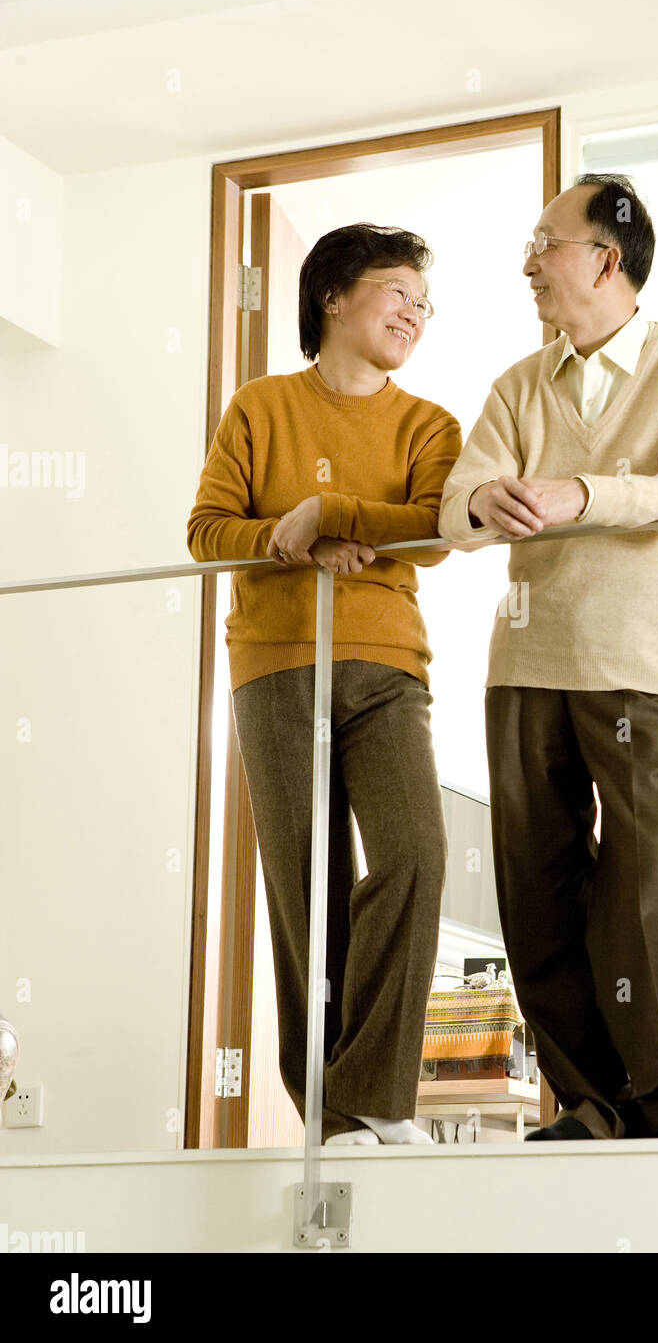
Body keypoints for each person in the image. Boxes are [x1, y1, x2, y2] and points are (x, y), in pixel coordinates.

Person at [438, 173, 658, 1141]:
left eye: (543, 242)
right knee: (533, 891)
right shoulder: (519, 385)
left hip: (639, 670)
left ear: (604, 258)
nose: (527, 263)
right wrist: (484, 506)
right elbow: (457, 505)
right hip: (525, 668)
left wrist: (580, 493)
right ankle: (588, 1101)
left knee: (643, 880)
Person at [187, 223, 462, 1146]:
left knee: (418, 855)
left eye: (425, 303)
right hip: (273, 666)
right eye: (398, 293)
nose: (415, 314)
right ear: (333, 299)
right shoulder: (260, 407)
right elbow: (205, 530)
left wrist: (334, 510)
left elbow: (434, 526)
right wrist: (282, 537)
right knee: (307, 889)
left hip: (387, 664)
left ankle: (372, 1097)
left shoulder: (431, 424)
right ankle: (327, 1114)